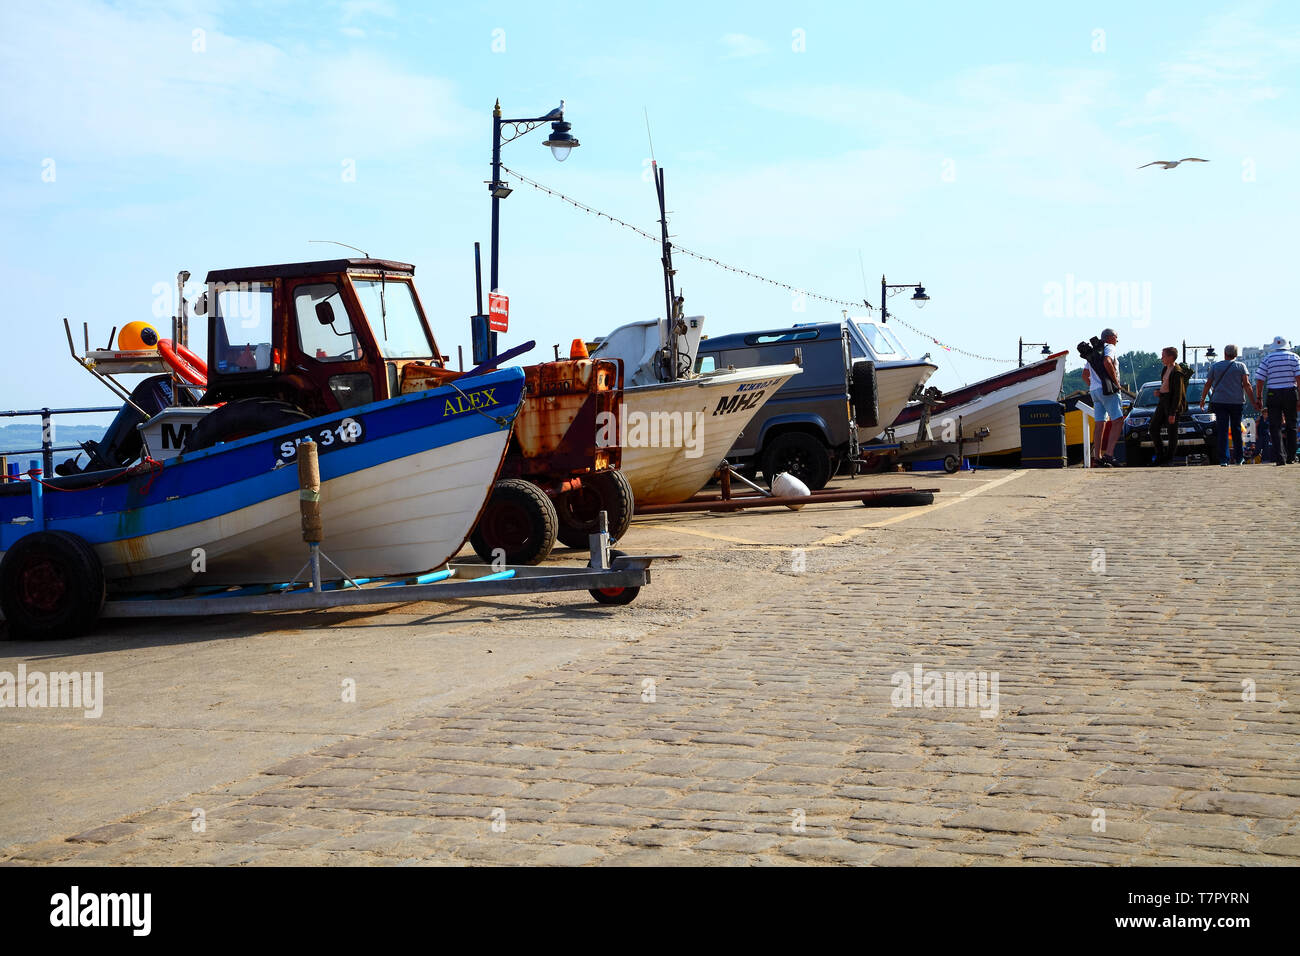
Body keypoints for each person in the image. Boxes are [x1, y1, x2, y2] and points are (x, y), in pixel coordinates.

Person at [1200, 344, 1259, 465]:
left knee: (1222, 430)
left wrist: (1202, 399)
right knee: (1236, 429)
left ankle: (1224, 459)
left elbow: (1208, 384)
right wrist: (1253, 401)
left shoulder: (1215, 366)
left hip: (1219, 401)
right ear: (1236, 355)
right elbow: (1247, 385)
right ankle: (1239, 457)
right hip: (1236, 402)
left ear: (1224, 353)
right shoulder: (1241, 366)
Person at [1253, 335, 1300, 466]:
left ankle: (1280, 457)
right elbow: (1299, 378)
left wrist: (1259, 397)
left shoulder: (1268, 359)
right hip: (1290, 392)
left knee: (1275, 426)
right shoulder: (1294, 357)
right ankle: (1291, 456)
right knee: (1291, 425)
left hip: (1273, 393)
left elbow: (1260, 379)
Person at [1084, 328, 1123, 466]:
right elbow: (1107, 362)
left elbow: (1084, 374)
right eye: (1116, 338)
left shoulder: (1094, 351)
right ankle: (1109, 455)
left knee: (1100, 423)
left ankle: (1098, 457)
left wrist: (1094, 385)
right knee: (1118, 421)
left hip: (1094, 391)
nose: (1117, 341)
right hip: (1107, 391)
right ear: (1111, 337)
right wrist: (1116, 383)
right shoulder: (1109, 348)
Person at [1151, 346, 1192, 465]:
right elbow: (1166, 386)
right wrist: (1160, 392)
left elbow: (1178, 394)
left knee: (1172, 432)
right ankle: (1160, 454)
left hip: (1172, 405)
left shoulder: (1177, 372)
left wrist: (1173, 412)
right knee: (1153, 428)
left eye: (1163, 356)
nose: (1161, 358)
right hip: (1163, 401)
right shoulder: (1165, 369)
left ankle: (1168, 458)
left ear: (1170, 357)